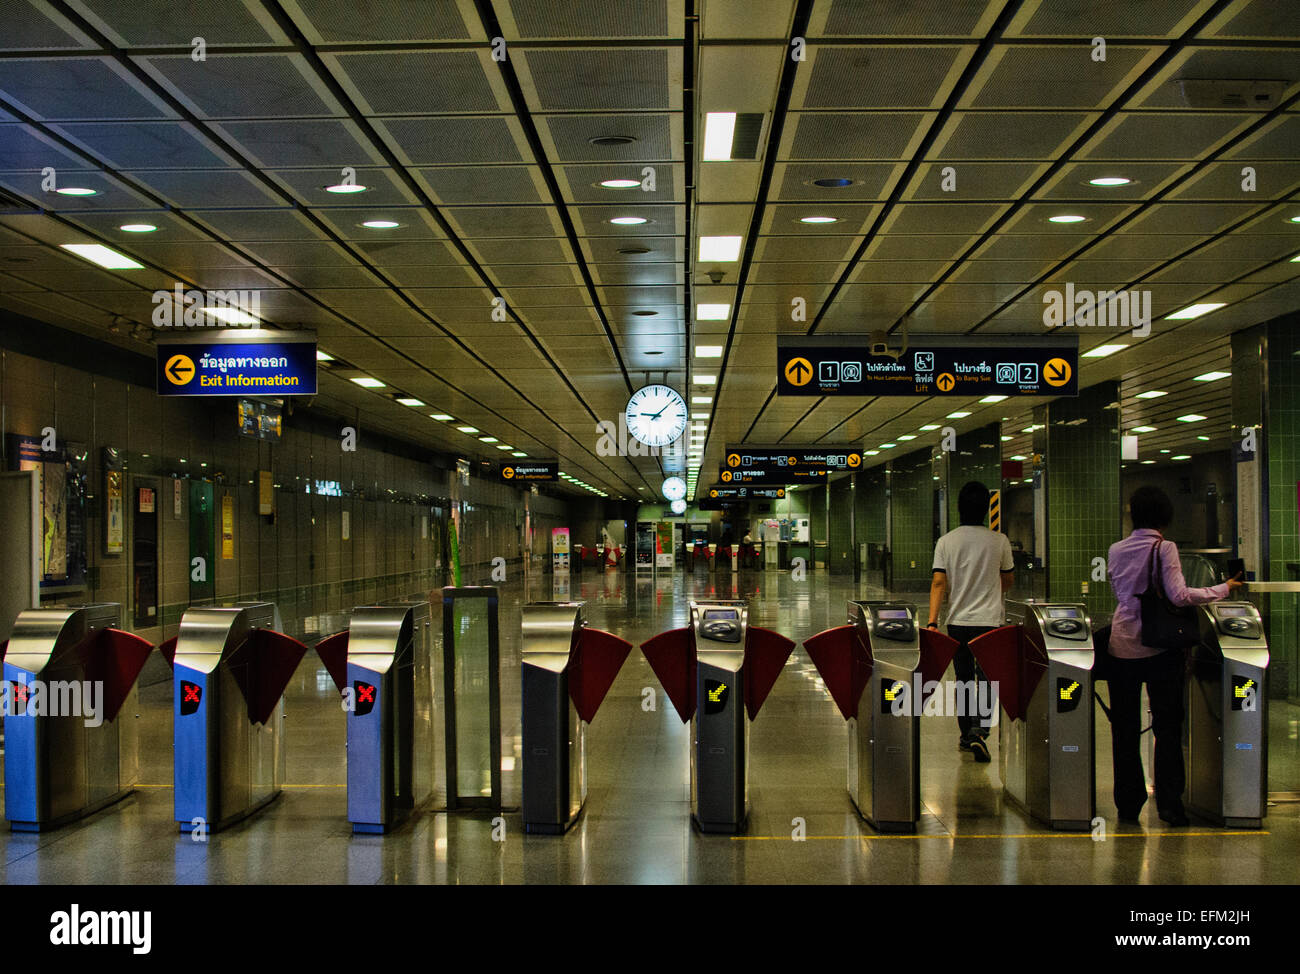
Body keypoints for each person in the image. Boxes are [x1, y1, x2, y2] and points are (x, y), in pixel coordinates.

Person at [1104, 486, 1243, 826]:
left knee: (1124, 728)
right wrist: (1224, 589)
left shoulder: (1116, 549)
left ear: (1133, 515)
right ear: (1165, 518)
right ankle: (1169, 804)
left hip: (1121, 645)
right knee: (1167, 726)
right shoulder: (1165, 547)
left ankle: (1128, 803)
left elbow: (1121, 592)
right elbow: (1179, 596)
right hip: (1160, 646)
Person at [927, 481, 1014, 763]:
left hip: (958, 622)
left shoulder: (946, 541)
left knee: (963, 679)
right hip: (990, 622)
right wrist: (988, 589)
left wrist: (932, 622)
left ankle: (967, 734)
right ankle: (981, 730)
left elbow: (939, 582)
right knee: (987, 679)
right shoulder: (999, 540)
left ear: (960, 509)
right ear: (986, 510)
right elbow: (1008, 580)